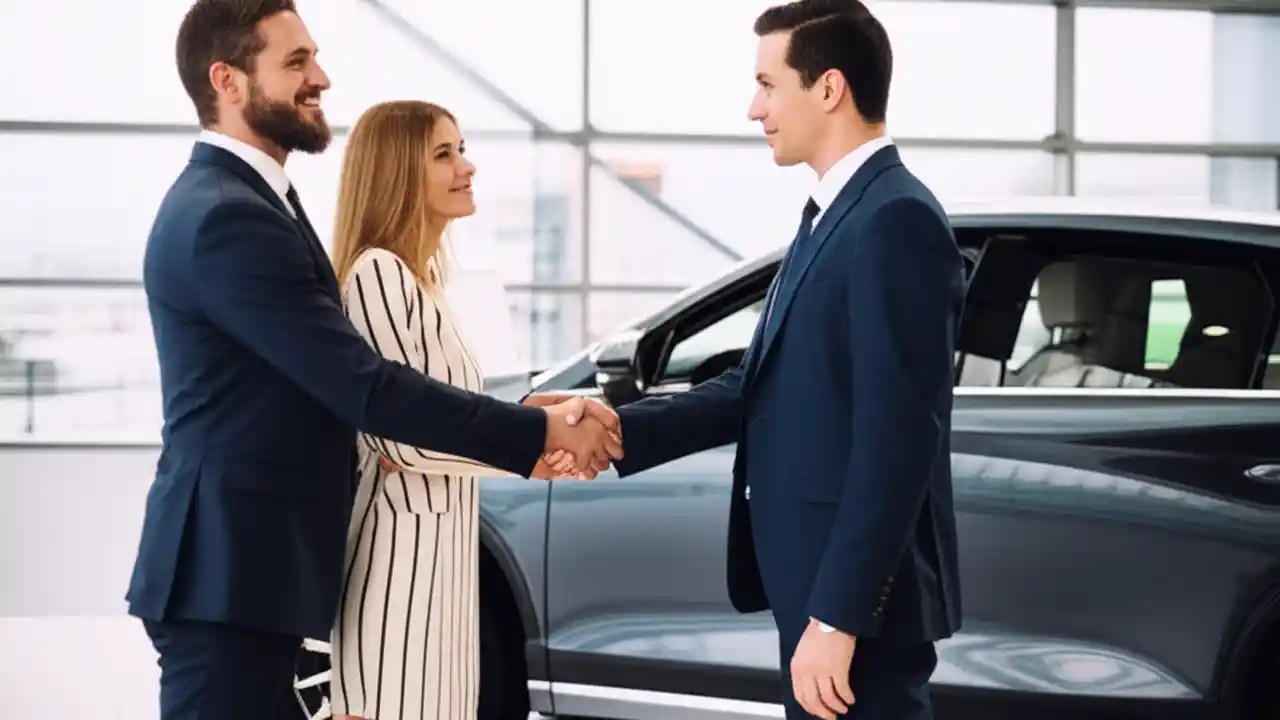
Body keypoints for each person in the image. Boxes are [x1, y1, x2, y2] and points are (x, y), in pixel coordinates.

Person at [126, 2, 619, 719]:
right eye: (295, 62)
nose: (320, 77)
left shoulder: (254, 205)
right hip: (229, 574)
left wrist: (530, 421)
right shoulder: (227, 218)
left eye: (314, 57)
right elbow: (363, 387)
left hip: (252, 574)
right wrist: (537, 437)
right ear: (226, 81)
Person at [570, 1, 966, 717]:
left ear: (828, 89)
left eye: (767, 83)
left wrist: (839, 617)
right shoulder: (833, 216)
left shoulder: (893, 220)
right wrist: (619, 428)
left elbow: (899, 440)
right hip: (813, 589)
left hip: (852, 609)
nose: (755, 109)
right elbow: (755, 385)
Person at [324, 100, 583, 720]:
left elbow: (439, 415)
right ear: (395, 171)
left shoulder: (423, 284)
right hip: (395, 571)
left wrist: (518, 415)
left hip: (440, 561)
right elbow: (401, 435)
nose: (466, 166)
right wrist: (527, 448)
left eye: (461, 148)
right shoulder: (377, 275)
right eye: (444, 153)